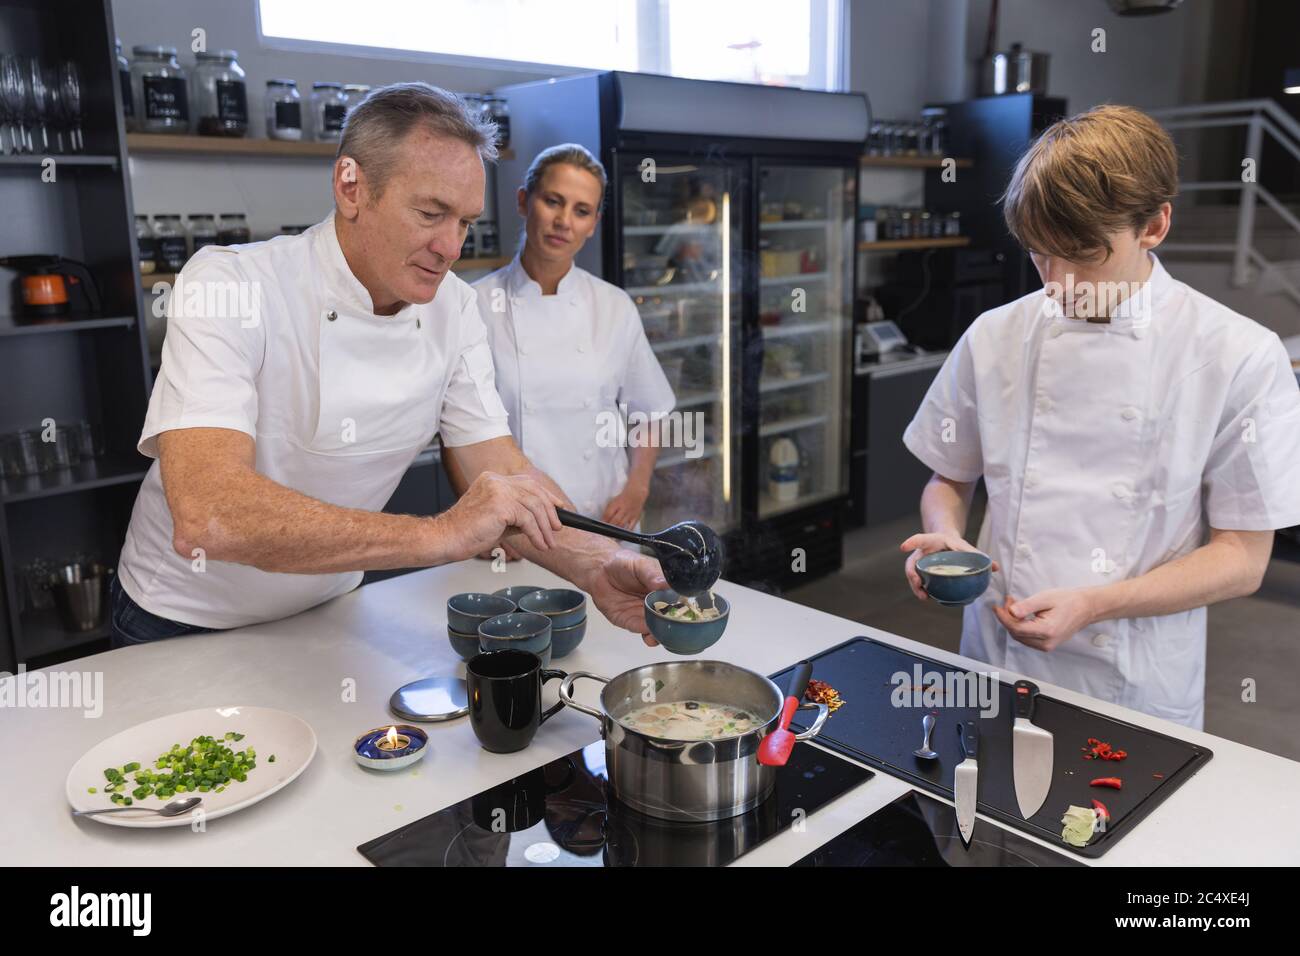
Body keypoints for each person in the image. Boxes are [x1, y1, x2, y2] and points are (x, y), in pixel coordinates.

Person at [111, 83, 667, 648]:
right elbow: (210, 514)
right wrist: (442, 534)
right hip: (182, 616)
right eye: (431, 213)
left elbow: (500, 467)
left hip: (328, 605)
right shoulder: (231, 285)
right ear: (350, 186)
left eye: (465, 222)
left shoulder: (455, 309)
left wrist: (600, 564)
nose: (451, 247)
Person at [899, 104, 1300, 729]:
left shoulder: (1236, 354)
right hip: (995, 653)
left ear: (1154, 225)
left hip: (1134, 678)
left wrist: (1095, 604)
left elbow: (1242, 559)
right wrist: (945, 536)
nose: (1058, 282)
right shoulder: (996, 336)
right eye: (1040, 254)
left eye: (1084, 254)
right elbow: (949, 477)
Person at [473, 144, 674, 533]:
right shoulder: (476, 305)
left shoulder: (614, 307)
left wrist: (637, 488)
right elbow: (461, 432)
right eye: (553, 201)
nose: (563, 221)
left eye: (581, 211)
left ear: (593, 223)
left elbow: (649, 412)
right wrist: (480, 519)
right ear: (523, 201)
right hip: (516, 526)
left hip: (604, 516)